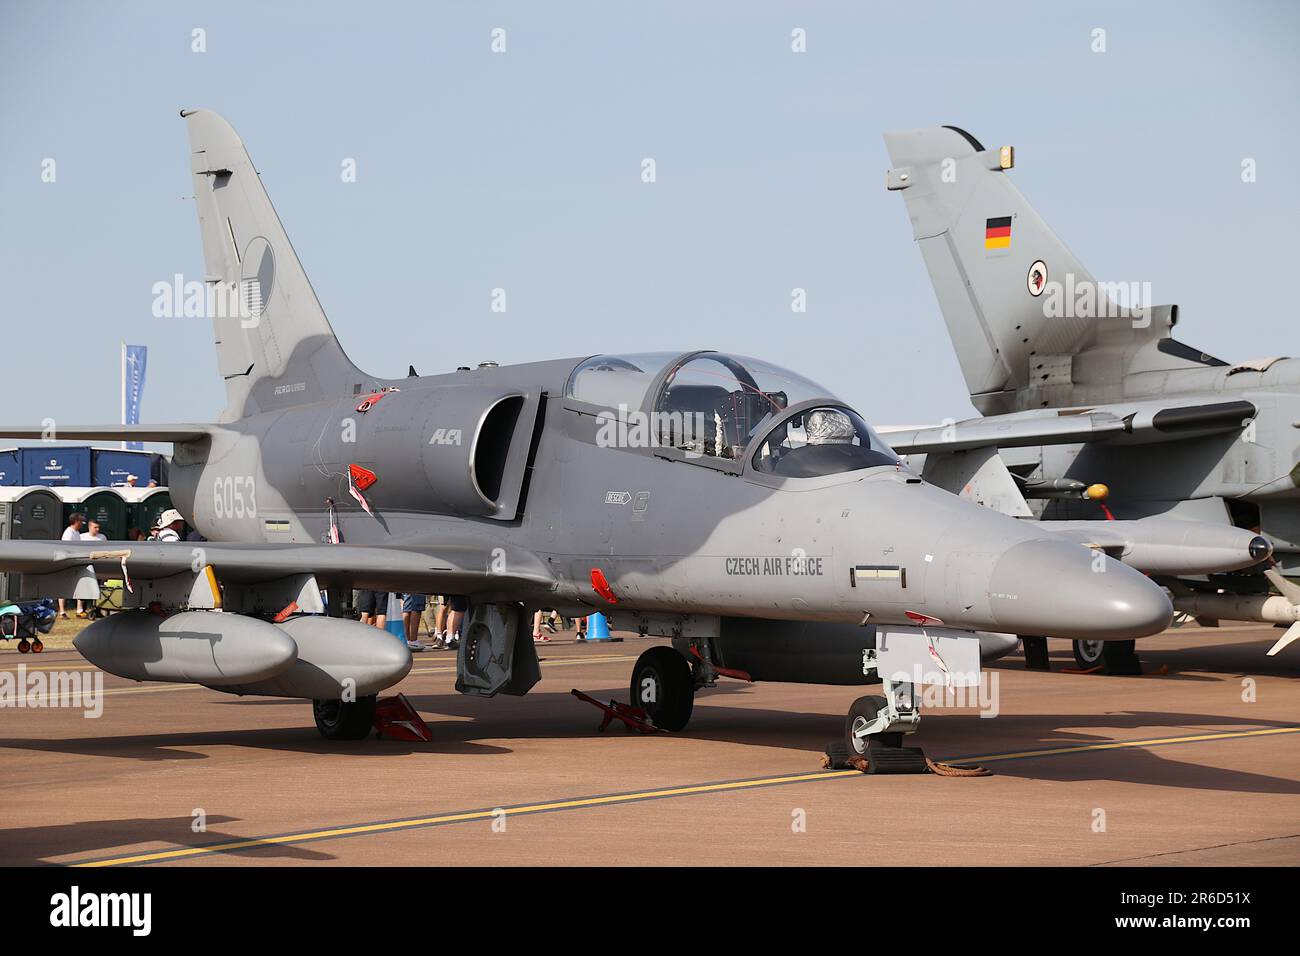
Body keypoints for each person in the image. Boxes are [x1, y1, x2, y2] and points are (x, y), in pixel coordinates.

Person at [58, 513, 86, 619]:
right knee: (64, 586)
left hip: (76, 561)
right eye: (80, 521)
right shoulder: (68, 533)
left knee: (80, 584)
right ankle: (62, 611)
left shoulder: (77, 533)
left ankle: (79, 610)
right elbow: (66, 549)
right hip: (67, 563)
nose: (82, 523)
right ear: (76, 521)